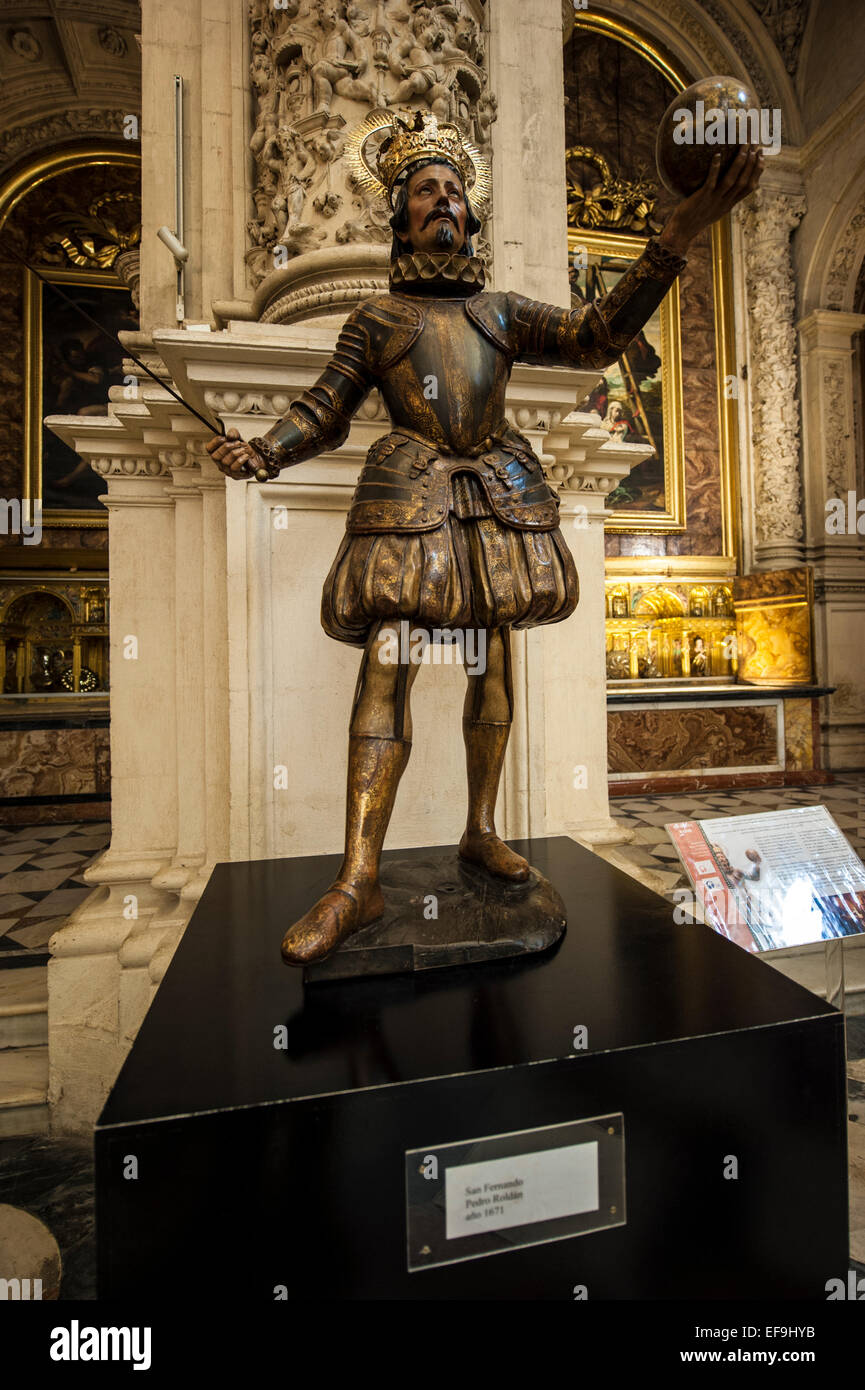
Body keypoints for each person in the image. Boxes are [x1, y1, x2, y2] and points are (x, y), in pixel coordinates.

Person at [208, 112, 763, 965]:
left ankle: (479, 829)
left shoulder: (499, 310)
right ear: (398, 215)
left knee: (493, 659)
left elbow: (596, 338)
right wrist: (263, 450)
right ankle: (358, 877)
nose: (443, 203)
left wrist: (673, 237)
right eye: (425, 190)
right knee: (388, 661)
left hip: (496, 495)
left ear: (472, 217)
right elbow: (322, 409)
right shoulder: (377, 316)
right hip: (410, 492)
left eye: (454, 192)